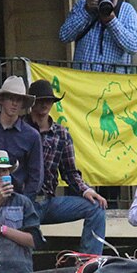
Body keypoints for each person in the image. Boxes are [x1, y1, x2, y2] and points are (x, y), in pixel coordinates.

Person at [24, 78, 106, 254]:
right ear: (32, 103)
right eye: (40, 100)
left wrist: (86, 190)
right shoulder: (21, 129)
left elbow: (70, 172)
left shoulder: (61, 133)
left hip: (48, 200)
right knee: (25, 240)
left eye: (49, 100)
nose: (45, 104)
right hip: (24, 201)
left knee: (96, 206)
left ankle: (88, 261)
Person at [0, 76, 42, 198]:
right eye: (11, 98)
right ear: (1, 100)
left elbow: (36, 176)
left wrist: (24, 202)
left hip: (16, 198)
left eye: (19, 100)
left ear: (23, 104)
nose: (14, 103)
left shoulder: (32, 136)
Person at [58, 0, 137, 72]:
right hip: (82, 79)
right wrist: (87, 11)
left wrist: (112, 21)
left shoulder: (127, 10)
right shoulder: (82, 6)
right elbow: (64, 36)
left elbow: (134, 47)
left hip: (111, 80)